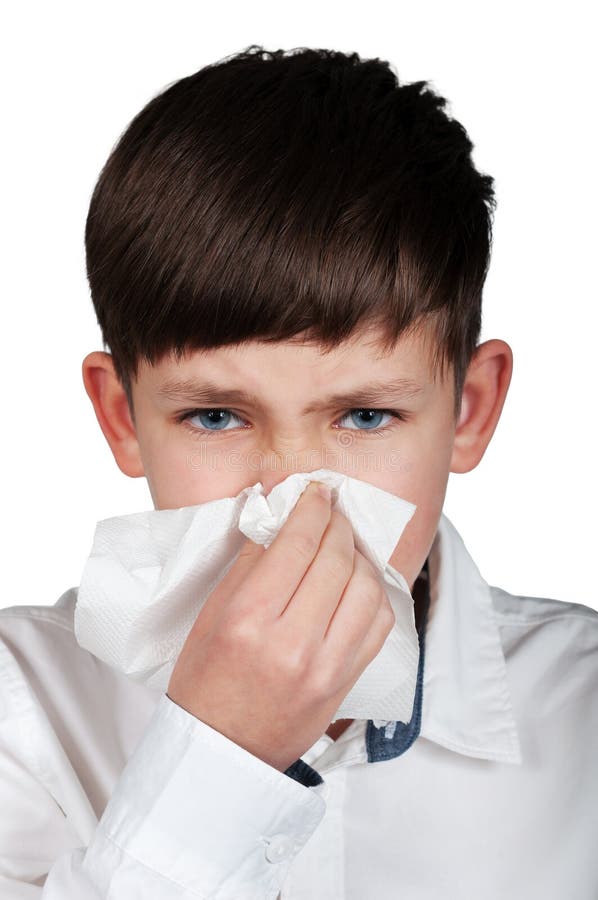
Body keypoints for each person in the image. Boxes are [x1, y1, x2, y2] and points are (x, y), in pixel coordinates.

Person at [0, 44, 596, 899]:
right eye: (215, 417)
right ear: (123, 418)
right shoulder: (23, 706)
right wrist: (218, 754)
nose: (291, 494)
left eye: (364, 417)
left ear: (468, 411)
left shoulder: (584, 714)